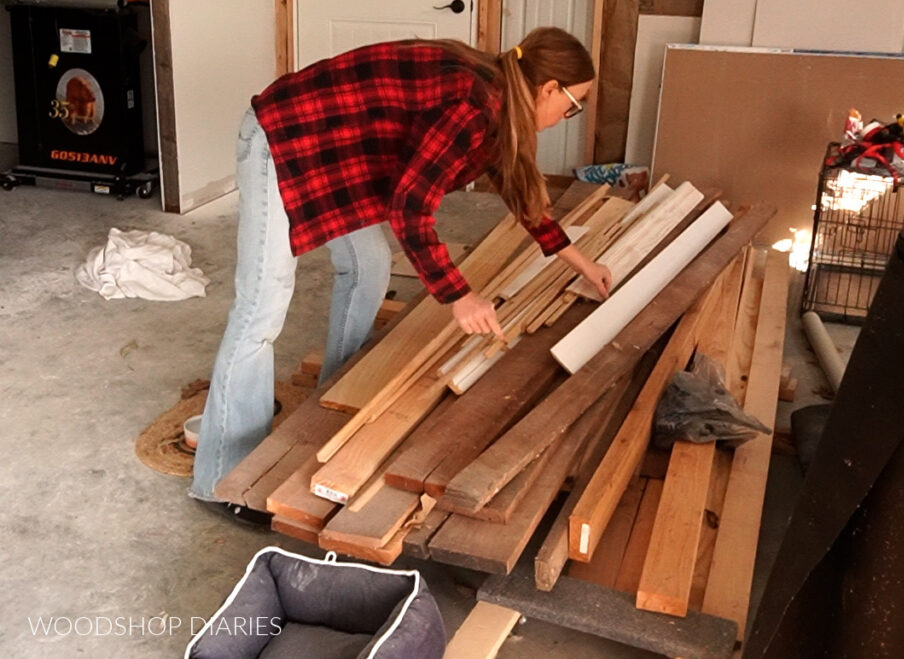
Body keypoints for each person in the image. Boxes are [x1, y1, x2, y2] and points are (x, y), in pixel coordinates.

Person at [190, 26, 613, 523]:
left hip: (337, 153)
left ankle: (330, 402)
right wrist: (459, 295)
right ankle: (222, 482)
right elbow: (411, 207)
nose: (569, 116)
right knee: (261, 308)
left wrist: (583, 264)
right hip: (283, 142)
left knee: (368, 268)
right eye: (573, 104)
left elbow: (521, 192)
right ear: (548, 89)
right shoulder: (474, 107)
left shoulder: (502, 102)